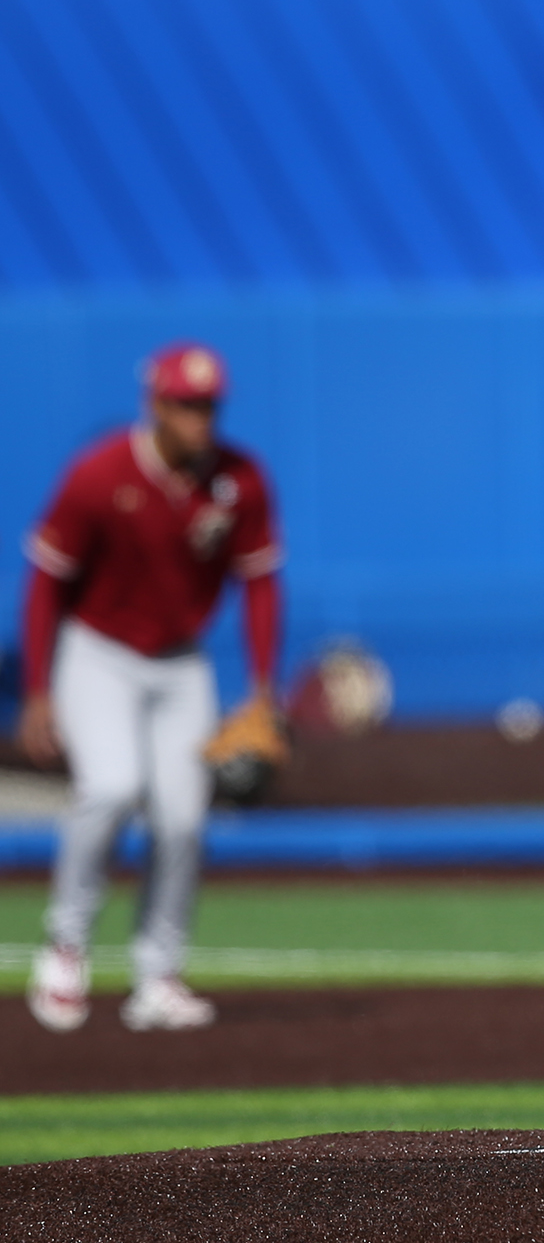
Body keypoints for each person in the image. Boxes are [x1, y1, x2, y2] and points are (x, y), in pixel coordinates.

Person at [18, 343, 283, 1033]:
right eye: (187, 404)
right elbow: (47, 582)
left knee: (184, 819)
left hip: (181, 661)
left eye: (209, 405)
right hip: (99, 650)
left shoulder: (240, 479)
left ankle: (157, 973)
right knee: (110, 788)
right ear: (156, 404)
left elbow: (260, 583)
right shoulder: (99, 474)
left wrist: (260, 687)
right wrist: (40, 689)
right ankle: (65, 946)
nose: (201, 417)